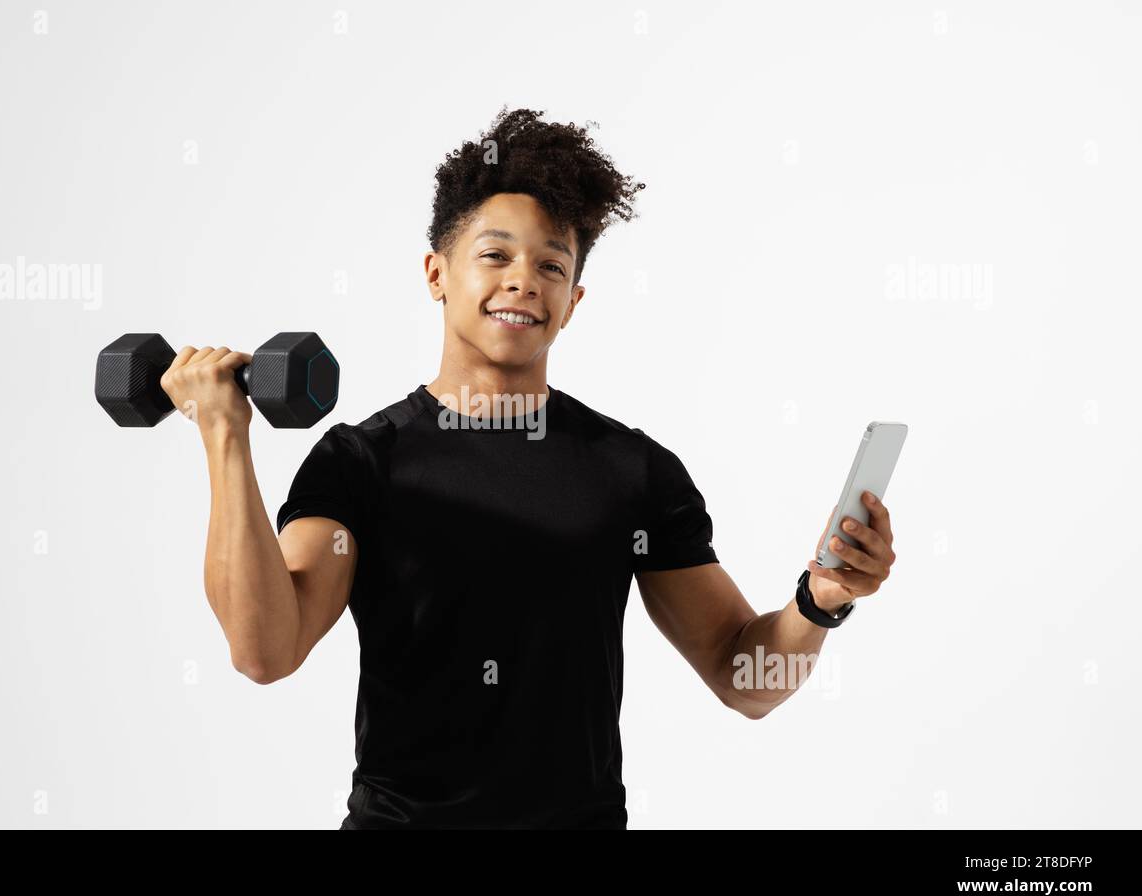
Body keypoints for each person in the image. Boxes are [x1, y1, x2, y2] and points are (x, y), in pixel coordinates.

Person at [158, 106, 897, 829]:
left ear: (573, 301)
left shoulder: (633, 472)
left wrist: (819, 602)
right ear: (435, 273)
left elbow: (746, 680)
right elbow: (263, 650)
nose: (523, 281)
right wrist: (225, 435)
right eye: (495, 255)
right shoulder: (362, 464)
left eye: (551, 264)